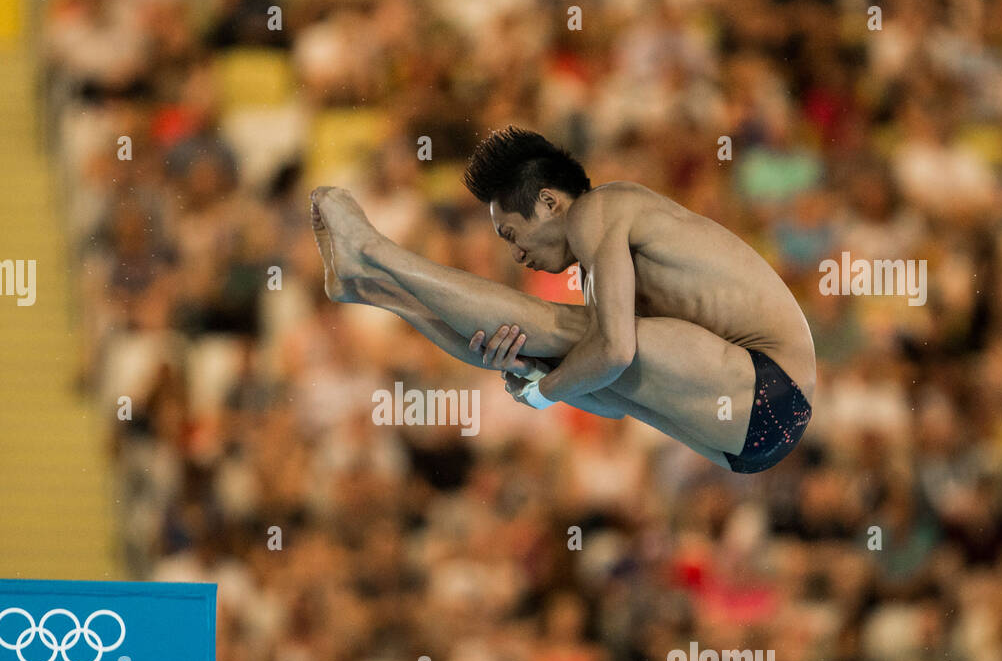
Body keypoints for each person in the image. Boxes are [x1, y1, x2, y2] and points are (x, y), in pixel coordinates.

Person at [312, 125, 816, 472]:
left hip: (768, 384)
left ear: (550, 202)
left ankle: (374, 252)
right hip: (750, 429)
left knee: (552, 331)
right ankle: (371, 288)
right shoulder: (600, 270)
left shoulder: (598, 210)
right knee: (531, 348)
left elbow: (616, 353)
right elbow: (614, 402)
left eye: (512, 234)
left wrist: (541, 392)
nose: (516, 254)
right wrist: (536, 376)